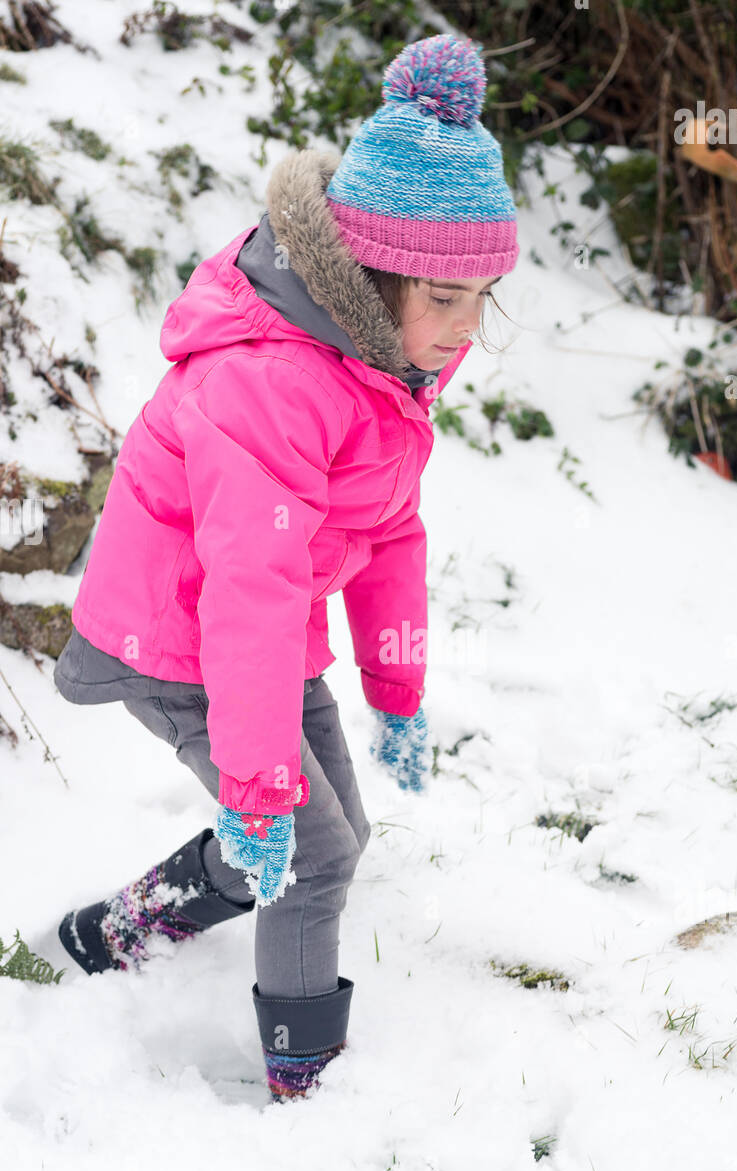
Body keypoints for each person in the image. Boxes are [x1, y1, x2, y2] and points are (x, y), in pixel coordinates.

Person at [52, 32, 519, 1103]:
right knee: (311, 853)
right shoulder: (272, 381)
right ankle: (305, 1088)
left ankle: (108, 933)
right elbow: (247, 587)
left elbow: (388, 529)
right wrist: (261, 787)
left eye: (479, 296)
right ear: (367, 273)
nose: (464, 330)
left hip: (257, 638)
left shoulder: (377, 363)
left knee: (331, 833)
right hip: (178, 643)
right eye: (444, 299)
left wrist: (395, 693)